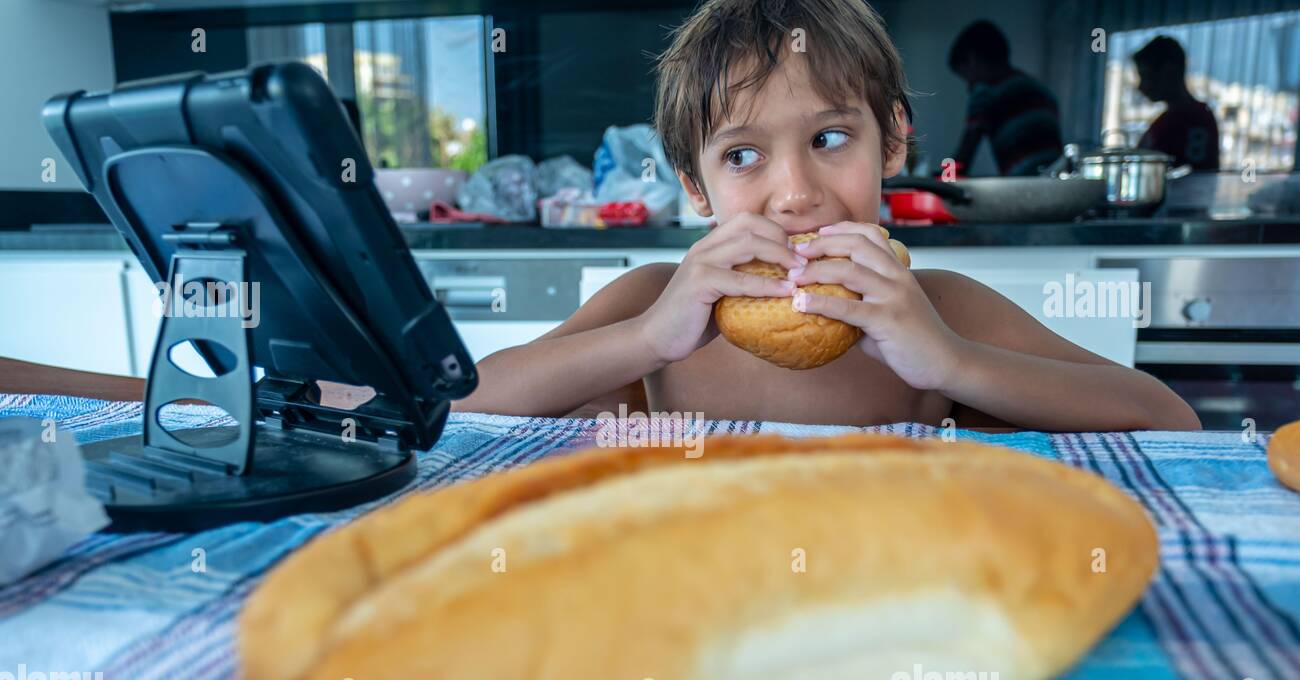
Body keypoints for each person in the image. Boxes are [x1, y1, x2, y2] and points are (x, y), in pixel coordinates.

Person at [452, 0, 1198, 432]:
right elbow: (468, 405)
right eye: (742, 156)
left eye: (830, 139)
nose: (795, 193)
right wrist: (647, 340)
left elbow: (1169, 421)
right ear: (696, 188)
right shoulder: (654, 300)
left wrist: (951, 363)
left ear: (894, 142)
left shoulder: (939, 309)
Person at [945, 20, 1064, 177]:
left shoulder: (985, 92)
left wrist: (941, 180)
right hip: (1058, 181)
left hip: (1024, 190)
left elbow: (964, 159)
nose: (968, 86)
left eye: (966, 76)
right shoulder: (1042, 91)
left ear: (972, 60)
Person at [1134, 35, 1220, 171]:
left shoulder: (1186, 119)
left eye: (1145, 76)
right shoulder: (1190, 116)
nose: (1140, 86)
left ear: (1169, 71)